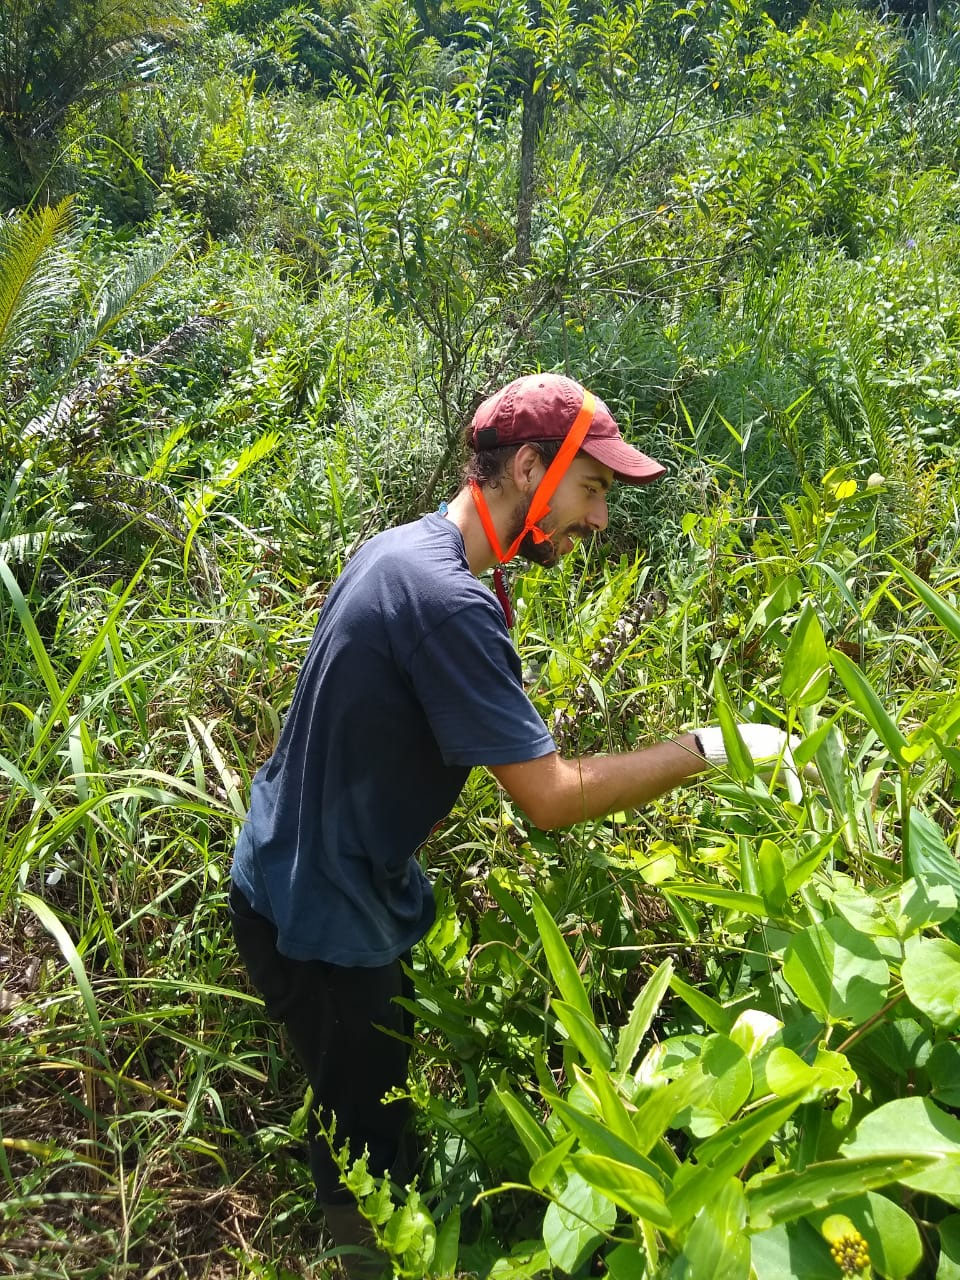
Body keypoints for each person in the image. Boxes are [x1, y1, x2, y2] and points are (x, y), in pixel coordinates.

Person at [228, 373, 798, 1274]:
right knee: (365, 1138)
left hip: (293, 869)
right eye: (592, 488)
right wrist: (708, 748)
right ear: (530, 467)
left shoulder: (408, 550)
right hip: (323, 916)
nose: (599, 519)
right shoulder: (448, 600)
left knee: (362, 1091)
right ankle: (370, 1257)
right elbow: (552, 797)